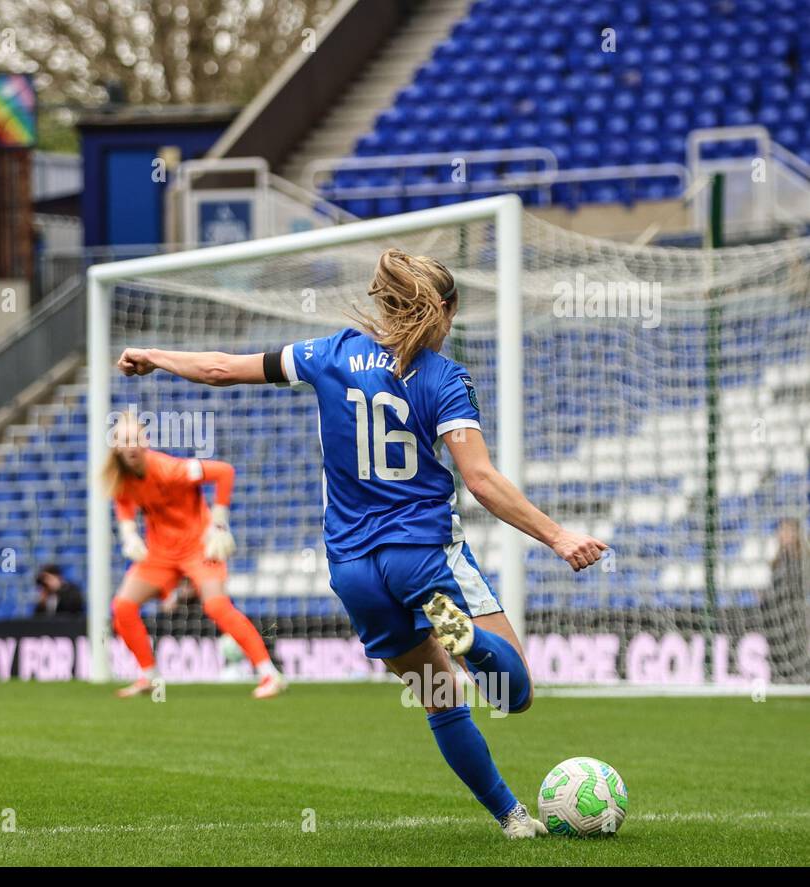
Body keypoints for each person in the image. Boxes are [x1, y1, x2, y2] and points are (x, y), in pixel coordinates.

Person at [115, 248, 608, 838]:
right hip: (423, 559)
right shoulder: (444, 378)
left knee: (440, 698)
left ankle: (512, 817)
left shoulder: (330, 353)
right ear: (445, 312)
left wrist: (155, 357)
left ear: (384, 303)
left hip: (353, 571)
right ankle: (465, 634)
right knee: (512, 693)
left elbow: (221, 369)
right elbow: (479, 480)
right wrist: (558, 536)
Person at [103, 415, 286, 699]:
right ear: (115, 446)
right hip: (161, 554)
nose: (131, 446)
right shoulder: (121, 477)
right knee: (123, 607)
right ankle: (149, 677)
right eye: (124, 440)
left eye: (136, 439)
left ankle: (269, 674)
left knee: (216, 606)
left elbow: (224, 471)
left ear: (146, 442)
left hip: (199, 547)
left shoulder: (170, 469)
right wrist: (128, 533)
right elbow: (123, 501)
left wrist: (219, 523)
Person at [760, 517, 809, 682]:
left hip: (795, 618)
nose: (781, 534)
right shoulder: (779, 560)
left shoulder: (800, 560)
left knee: (797, 655)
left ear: (795, 534)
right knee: (778, 656)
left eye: (785, 530)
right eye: (780, 530)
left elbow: (794, 589)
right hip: (776, 618)